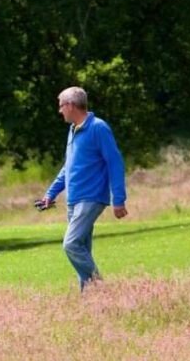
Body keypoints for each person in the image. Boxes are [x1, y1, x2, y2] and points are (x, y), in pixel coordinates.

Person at [40, 86, 128, 290]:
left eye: (61, 106)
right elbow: (68, 167)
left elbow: (115, 162)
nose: (59, 110)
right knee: (82, 249)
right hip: (74, 199)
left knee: (70, 244)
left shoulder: (98, 128)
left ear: (71, 105)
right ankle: (90, 301)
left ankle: (100, 289)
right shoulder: (73, 131)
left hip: (91, 198)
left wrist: (119, 199)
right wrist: (50, 193)